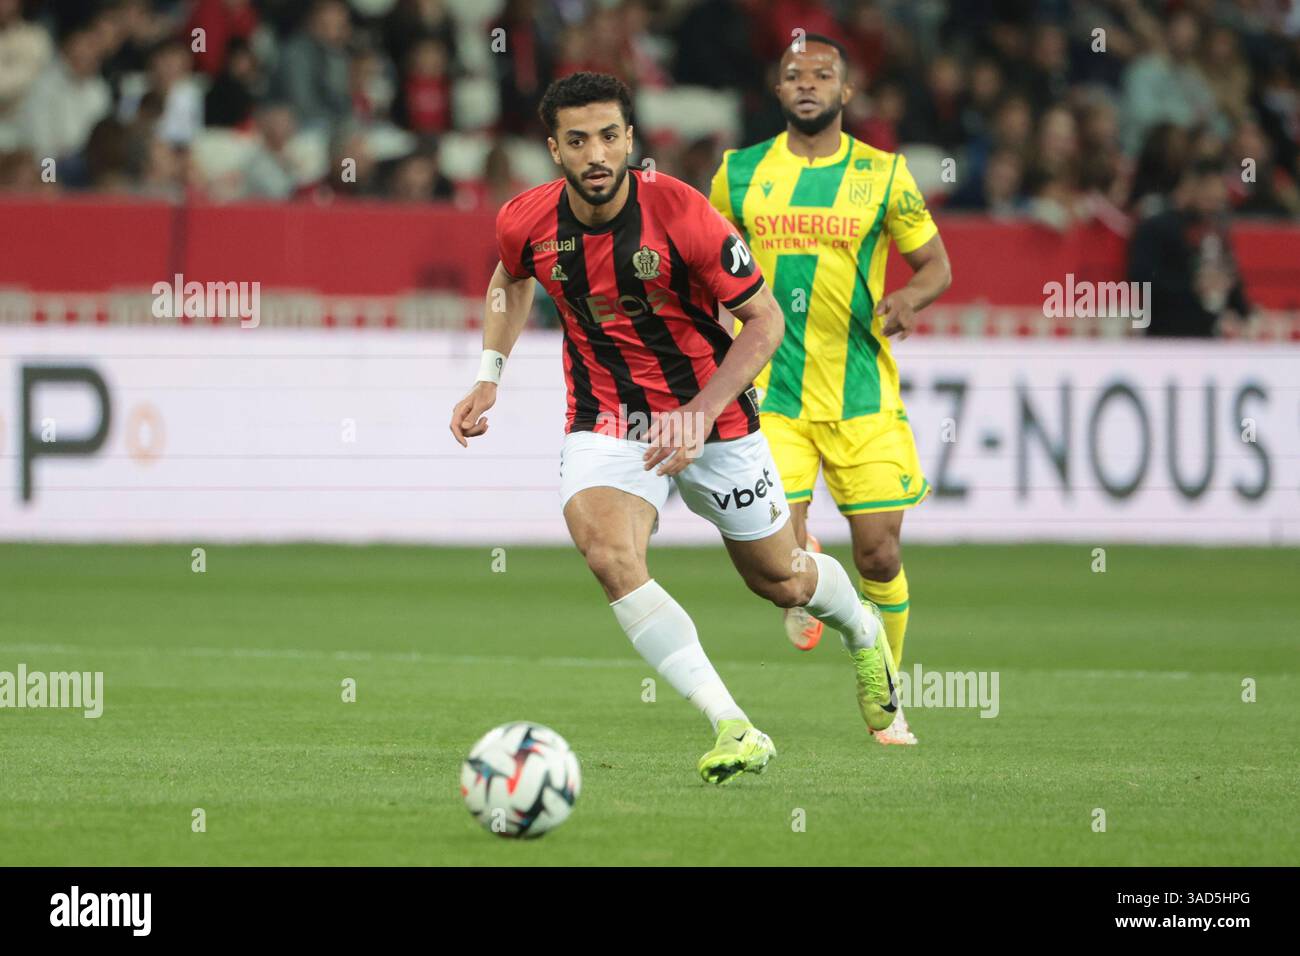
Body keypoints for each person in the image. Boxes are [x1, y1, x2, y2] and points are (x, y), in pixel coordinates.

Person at [449, 72, 898, 785]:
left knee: (781, 580)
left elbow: (765, 323)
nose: (595, 154)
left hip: (713, 415)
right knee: (608, 556)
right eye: (577, 141)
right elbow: (511, 279)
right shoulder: (525, 220)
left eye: (608, 136)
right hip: (607, 417)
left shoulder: (682, 214)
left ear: (629, 138)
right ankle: (735, 724)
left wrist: (697, 412)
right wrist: (489, 373)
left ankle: (864, 632)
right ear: (553, 150)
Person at [708, 35, 952, 746]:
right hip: (773, 395)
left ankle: (885, 688)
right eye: (793, 75)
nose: (807, 83)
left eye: (823, 75)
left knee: (879, 554)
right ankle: (810, 575)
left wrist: (910, 300)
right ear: (776, 91)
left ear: (846, 93)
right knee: (776, 556)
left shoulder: (884, 174)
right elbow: (708, 267)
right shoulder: (738, 174)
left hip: (861, 396)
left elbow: (935, 265)